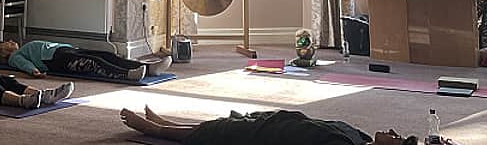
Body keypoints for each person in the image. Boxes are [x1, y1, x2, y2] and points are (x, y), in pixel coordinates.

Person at [119, 106, 373, 145]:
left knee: (224, 130)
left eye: (397, 140)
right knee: (234, 119)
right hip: (280, 121)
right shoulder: (360, 137)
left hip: (265, 136)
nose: (392, 133)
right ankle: (171, 123)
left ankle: (157, 130)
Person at [0, 39, 168, 82]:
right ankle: (127, 74)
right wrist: (33, 71)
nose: (10, 41)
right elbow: (23, 64)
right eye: (6, 42)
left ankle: (147, 68)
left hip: (65, 50)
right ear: (4, 51)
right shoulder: (15, 57)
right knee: (93, 62)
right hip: (56, 59)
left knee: (105, 55)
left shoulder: (22, 48)